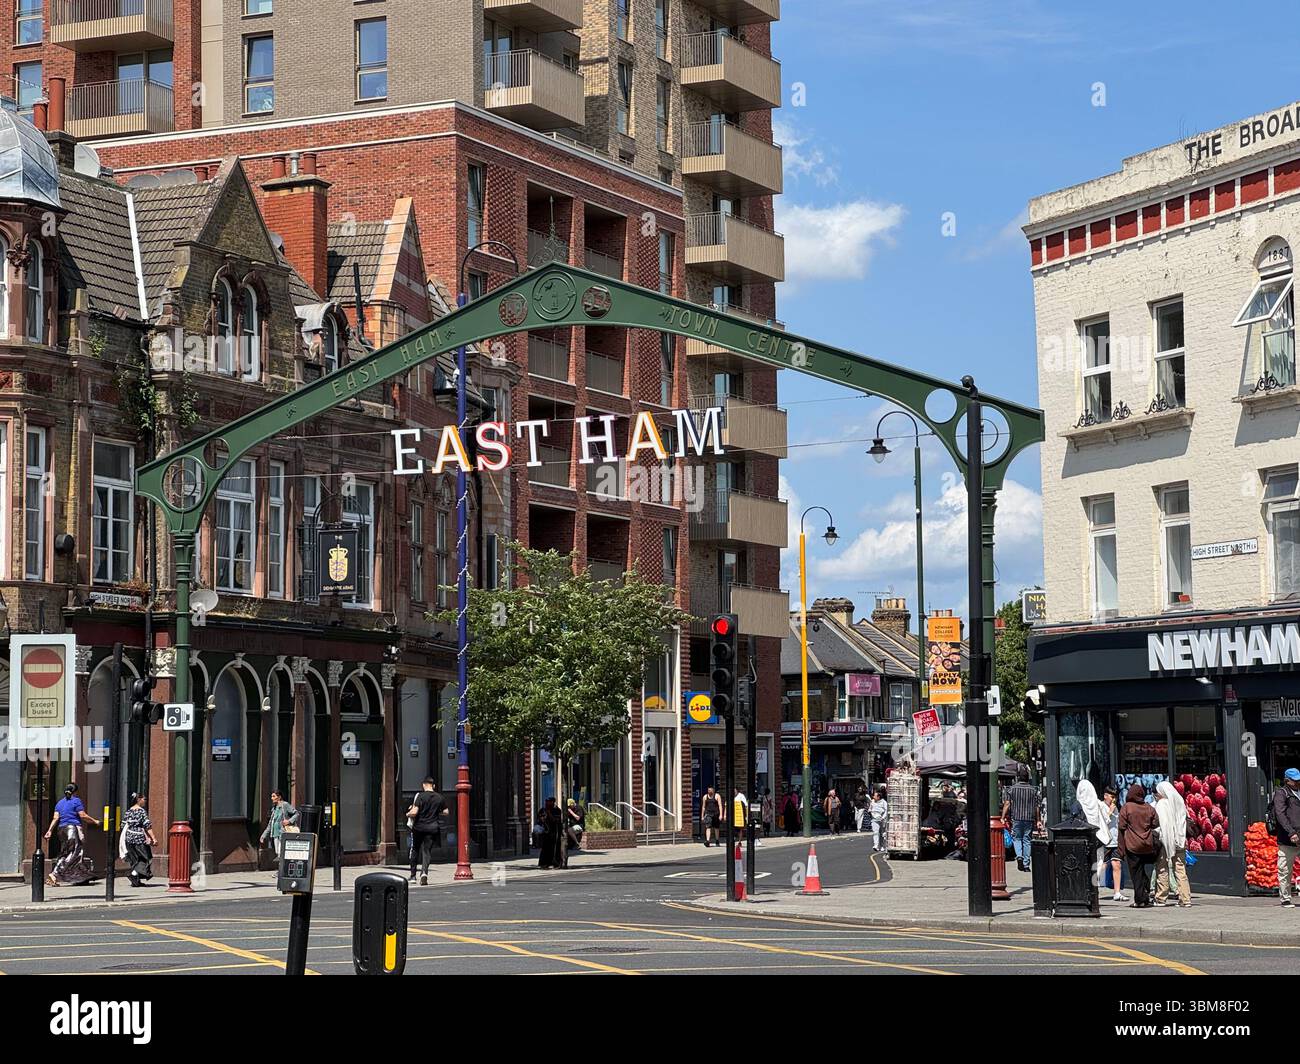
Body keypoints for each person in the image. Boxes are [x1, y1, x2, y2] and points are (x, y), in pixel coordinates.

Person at [44, 783, 99, 886]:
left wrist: (50, 830)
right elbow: (82, 815)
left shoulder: (59, 803)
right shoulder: (76, 801)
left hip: (61, 830)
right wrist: (95, 821)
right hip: (72, 829)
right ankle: (55, 874)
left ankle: (80, 876)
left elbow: (56, 818)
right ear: (76, 791)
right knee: (74, 852)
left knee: (65, 853)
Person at [1117, 782, 1159, 908]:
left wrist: (1121, 849)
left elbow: (1121, 828)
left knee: (1135, 873)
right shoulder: (1149, 808)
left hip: (1132, 846)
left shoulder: (1127, 807)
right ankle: (1145, 895)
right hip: (1147, 845)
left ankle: (1140, 900)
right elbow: (1156, 823)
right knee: (1141, 871)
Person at [1154, 780, 1191, 908]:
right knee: (1180, 869)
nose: (1156, 795)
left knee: (1162, 867)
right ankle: (1185, 899)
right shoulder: (1179, 800)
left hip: (1166, 840)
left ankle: (1161, 898)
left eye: (1158, 792)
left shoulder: (1162, 804)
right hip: (1180, 839)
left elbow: (1162, 824)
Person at [406, 777, 449, 885]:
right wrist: (436, 812)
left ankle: (412, 876)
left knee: (415, 849)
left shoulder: (420, 796)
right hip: (432, 828)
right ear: (433, 785)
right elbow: (446, 812)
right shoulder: (439, 797)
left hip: (419, 828)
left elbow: (414, 812)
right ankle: (424, 872)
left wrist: (407, 813)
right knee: (427, 851)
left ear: (424, 785)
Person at [1001, 767, 1041, 872]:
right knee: (1027, 840)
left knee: (1017, 838)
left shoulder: (1012, 789)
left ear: (1018, 778)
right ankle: (1026, 865)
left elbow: (1007, 803)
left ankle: (1019, 856)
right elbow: (1037, 807)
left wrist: (1002, 817)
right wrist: (1038, 820)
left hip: (1016, 817)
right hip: (1029, 818)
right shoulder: (1033, 790)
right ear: (1028, 778)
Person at [1272, 767, 1300, 907]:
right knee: (1284, 869)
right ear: (1287, 780)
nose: (1298, 783)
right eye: (1295, 781)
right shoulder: (1281, 793)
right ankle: (1285, 898)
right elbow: (1280, 815)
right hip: (1288, 838)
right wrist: (1291, 832)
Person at [1075, 780, 1110, 890]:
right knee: (1098, 860)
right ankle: (1096, 884)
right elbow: (1107, 818)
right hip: (1098, 837)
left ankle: (1086, 883)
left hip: (1083, 838)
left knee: (1084, 860)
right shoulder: (1098, 803)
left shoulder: (1078, 805)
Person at [258, 788, 299, 870]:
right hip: (275, 834)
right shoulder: (274, 808)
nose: (272, 798)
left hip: (283, 833)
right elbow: (271, 824)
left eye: (273, 796)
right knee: (278, 852)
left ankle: (281, 871)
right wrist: (263, 835)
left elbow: (296, 813)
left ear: (279, 797)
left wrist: (289, 821)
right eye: (271, 796)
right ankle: (284, 870)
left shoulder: (285, 805)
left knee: (281, 853)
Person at [122, 793, 156, 887]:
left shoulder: (128, 811)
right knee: (145, 857)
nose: (145, 801)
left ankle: (136, 881)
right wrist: (153, 838)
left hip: (128, 838)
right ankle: (133, 874)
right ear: (139, 800)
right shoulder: (141, 811)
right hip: (139, 838)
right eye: (144, 799)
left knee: (134, 859)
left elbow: (123, 824)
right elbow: (147, 825)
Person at [1101, 786, 1126, 902]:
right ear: (1105, 796)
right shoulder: (1100, 806)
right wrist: (1110, 812)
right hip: (1105, 841)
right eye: (1111, 796)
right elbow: (1102, 823)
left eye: (1114, 797)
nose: (1113, 799)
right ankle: (1092, 890)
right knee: (1102, 866)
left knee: (1117, 865)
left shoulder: (1116, 808)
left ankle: (1117, 892)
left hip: (1115, 841)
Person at [538, 797, 565, 869]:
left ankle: (555, 862)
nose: (547, 803)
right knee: (545, 848)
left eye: (549, 802)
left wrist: (549, 813)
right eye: (546, 801)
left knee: (554, 848)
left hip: (554, 831)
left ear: (553, 802)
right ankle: (544, 863)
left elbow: (555, 820)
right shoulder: (543, 810)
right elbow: (540, 820)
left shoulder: (557, 810)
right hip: (546, 832)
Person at [870, 789, 889, 853]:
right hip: (874, 819)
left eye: (875, 796)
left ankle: (882, 846)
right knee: (875, 832)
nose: (873, 797)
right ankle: (876, 845)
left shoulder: (884, 802)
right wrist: (873, 814)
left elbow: (887, 810)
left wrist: (883, 817)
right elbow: (870, 809)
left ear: (878, 797)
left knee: (882, 834)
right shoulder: (872, 801)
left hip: (882, 820)